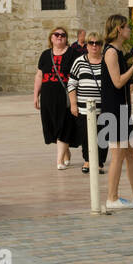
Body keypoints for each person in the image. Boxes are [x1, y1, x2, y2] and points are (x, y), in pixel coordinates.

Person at [101, 13, 133, 208]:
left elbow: (126, 84)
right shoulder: (111, 52)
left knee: (131, 153)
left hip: (123, 108)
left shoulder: (119, 51)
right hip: (113, 110)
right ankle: (111, 198)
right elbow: (117, 81)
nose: (130, 30)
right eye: (126, 27)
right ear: (119, 29)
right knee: (118, 154)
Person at [34, 26, 80, 169]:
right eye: (56, 34)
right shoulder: (45, 55)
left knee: (64, 125)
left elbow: (77, 75)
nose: (60, 37)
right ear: (51, 38)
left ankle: (59, 160)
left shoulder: (73, 54)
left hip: (66, 96)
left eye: (63, 35)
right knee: (53, 126)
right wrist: (36, 95)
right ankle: (66, 153)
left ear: (66, 38)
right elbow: (39, 75)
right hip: (48, 96)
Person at [68, 32, 107, 174]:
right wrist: (73, 104)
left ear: (102, 45)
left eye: (98, 43)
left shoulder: (106, 61)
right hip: (84, 107)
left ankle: (100, 162)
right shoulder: (79, 61)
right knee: (85, 135)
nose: (94, 46)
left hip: (103, 107)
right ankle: (88, 160)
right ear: (87, 45)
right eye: (91, 43)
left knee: (102, 135)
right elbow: (72, 84)